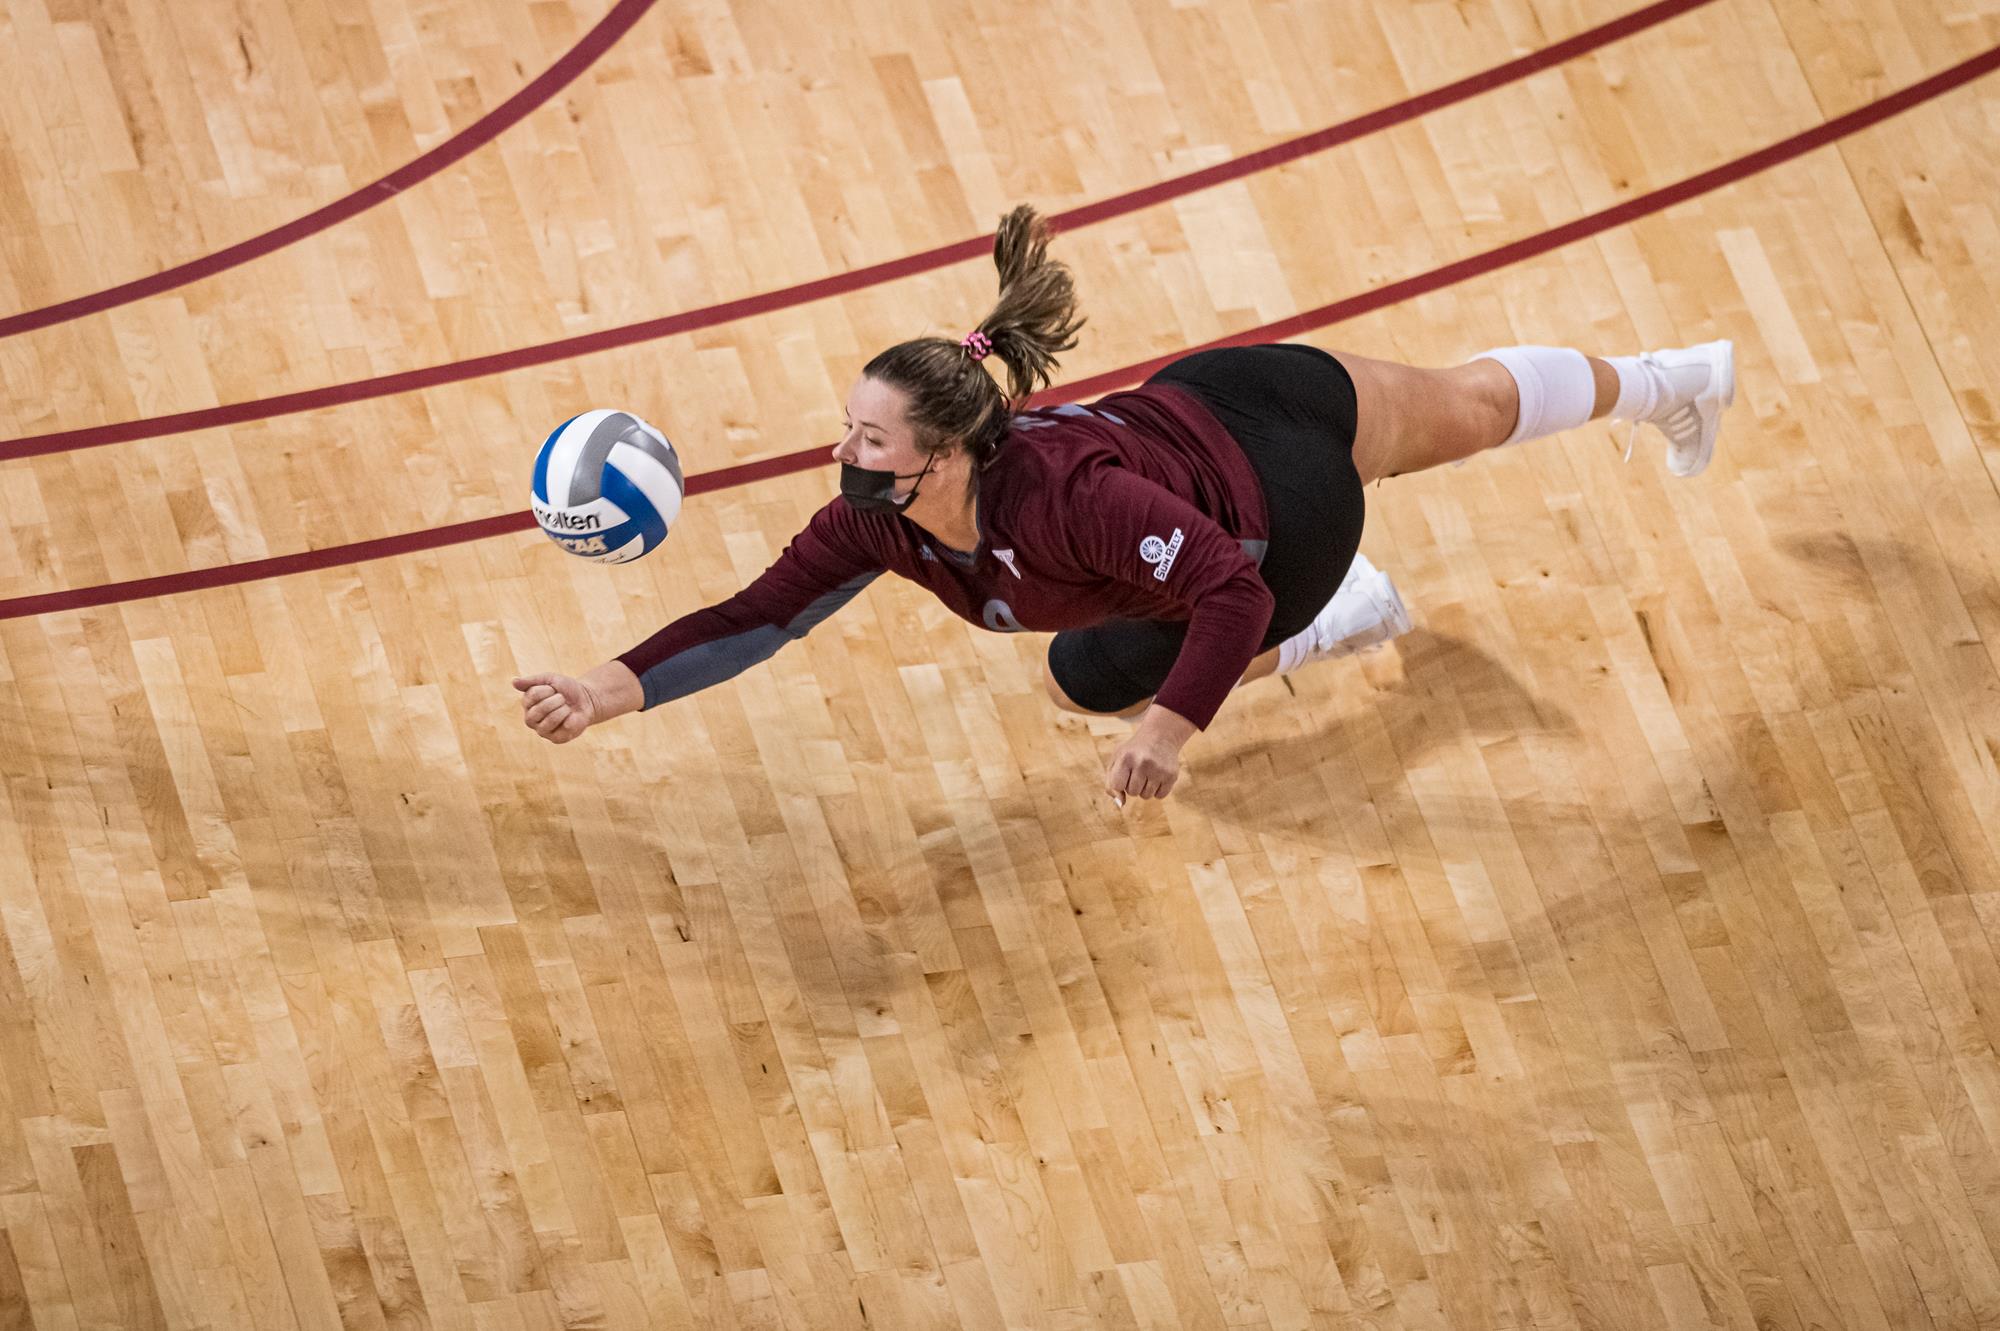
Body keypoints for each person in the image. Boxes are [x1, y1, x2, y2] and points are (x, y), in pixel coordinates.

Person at [514, 205, 1734, 804]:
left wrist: (1170, 733)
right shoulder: (872, 523)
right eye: (850, 424)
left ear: (942, 456)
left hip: (1278, 511)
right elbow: (753, 617)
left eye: (868, 435)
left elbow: (1231, 585)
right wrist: (602, 689)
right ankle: (1671, 386)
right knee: (1079, 675)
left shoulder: (1068, 505)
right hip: (1208, 418)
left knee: (1462, 409)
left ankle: (1673, 384)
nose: (844, 449)